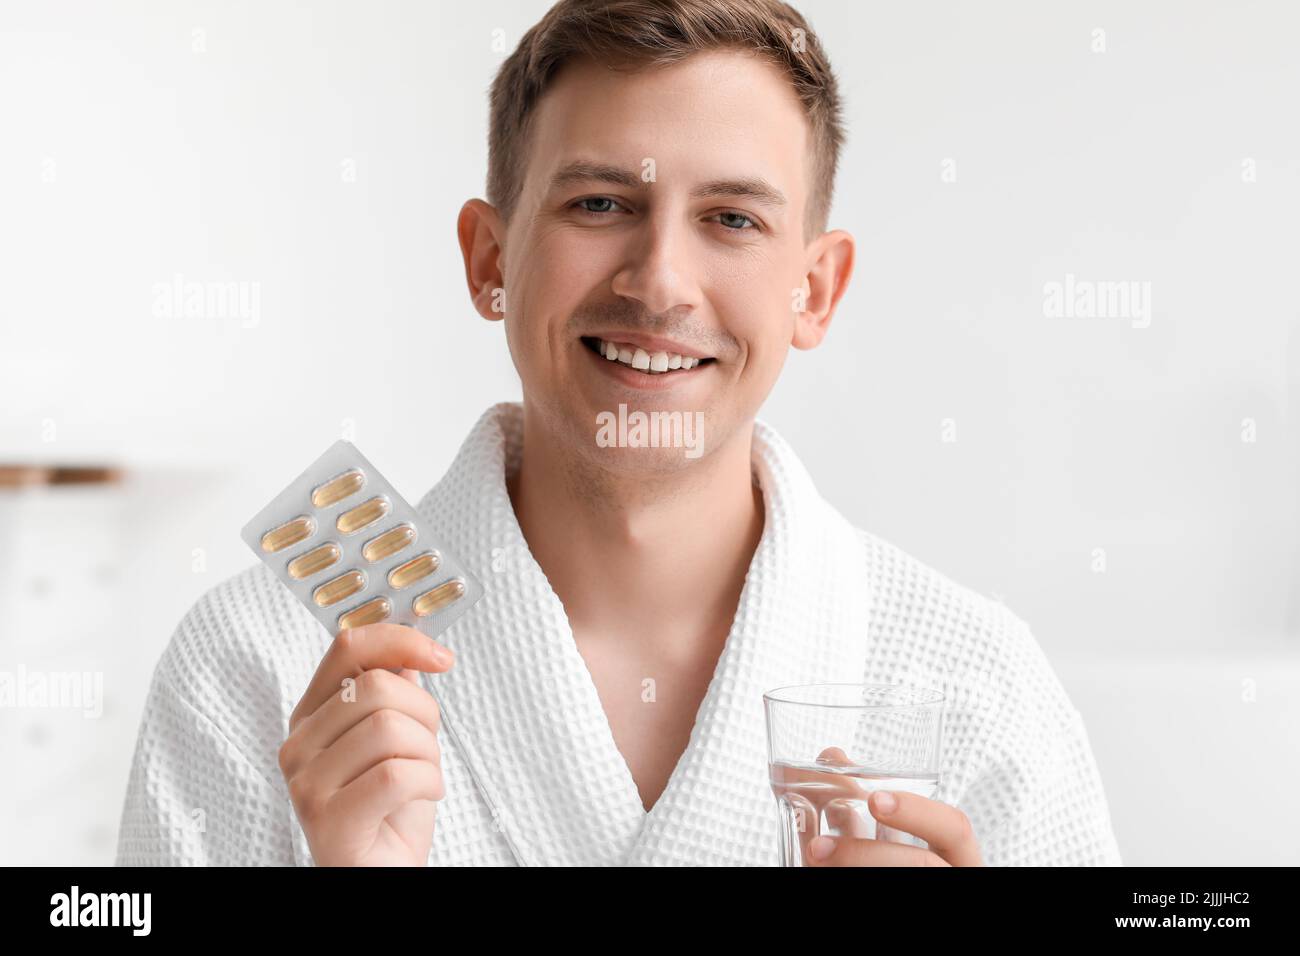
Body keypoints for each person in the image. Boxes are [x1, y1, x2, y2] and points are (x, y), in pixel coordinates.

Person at [115, 0, 1122, 866]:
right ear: (488, 258)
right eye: (600, 203)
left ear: (814, 291)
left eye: (730, 219)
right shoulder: (254, 661)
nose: (658, 282)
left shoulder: (973, 685)